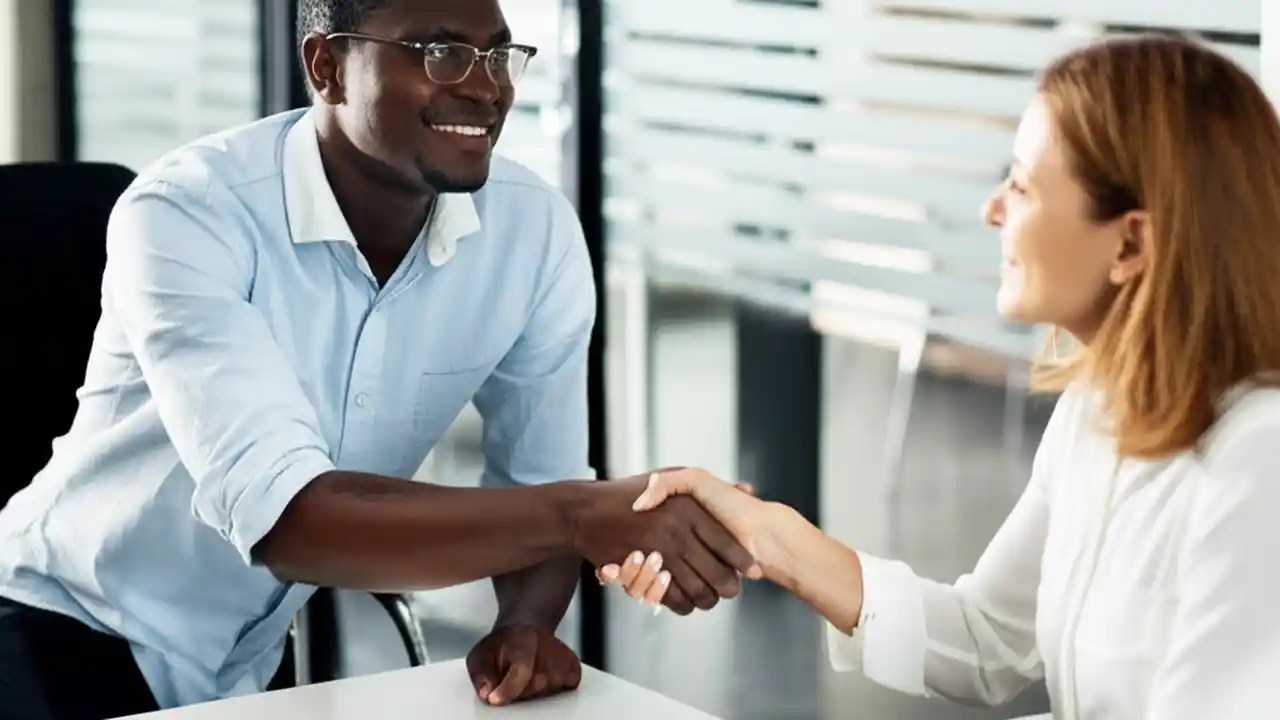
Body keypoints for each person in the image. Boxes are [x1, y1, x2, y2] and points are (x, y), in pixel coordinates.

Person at [0, 0, 759, 717]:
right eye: (441, 53)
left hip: (246, 666)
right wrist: (586, 515)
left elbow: (538, 481)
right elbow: (292, 522)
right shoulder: (189, 212)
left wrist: (526, 624)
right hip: (55, 630)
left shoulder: (535, 237)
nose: (486, 88)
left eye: (499, 55)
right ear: (327, 65)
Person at [602, 34, 1280, 719]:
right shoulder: (1097, 414)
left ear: (1130, 243)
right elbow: (987, 639)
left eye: (1020, 184)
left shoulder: (1258, 458)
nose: (992, 210)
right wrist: (762, 533)